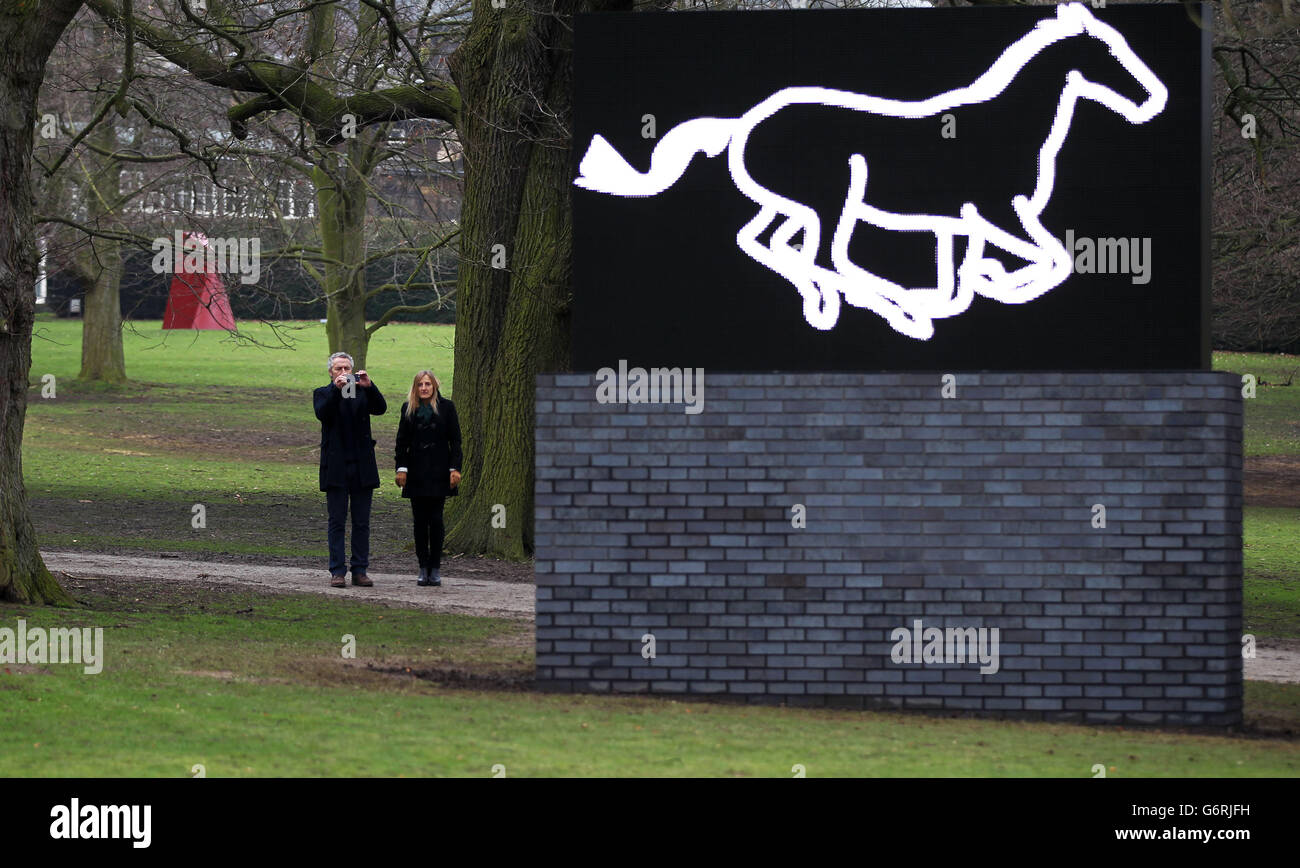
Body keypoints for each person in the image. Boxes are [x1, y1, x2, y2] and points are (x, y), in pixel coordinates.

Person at [314, 351, 387, 588]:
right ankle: (337, 571)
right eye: (338, 369)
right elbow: (323, 414)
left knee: (362, 522)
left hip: (361, 466)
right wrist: (337, 390)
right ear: (330, 372)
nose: (344, 373)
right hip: (335, 467)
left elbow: (381, 408)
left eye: (347, 368)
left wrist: (370, 386)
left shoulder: (363, 392)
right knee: (337, 521)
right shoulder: (323, 393)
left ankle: (360, 569)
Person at [394, 370, 462, 587]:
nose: (424, 388)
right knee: (419, 522)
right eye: (420, 385)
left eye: (428, 384)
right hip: (415, 473)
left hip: (440, 473)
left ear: (434, 386)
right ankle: (422, 567)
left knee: (436, 520)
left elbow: (456, 441)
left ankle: (435, 567)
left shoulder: (447, 408)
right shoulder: (408, 409)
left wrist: (455, 469)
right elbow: (401, 443)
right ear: (415, 388)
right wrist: (401, 469)